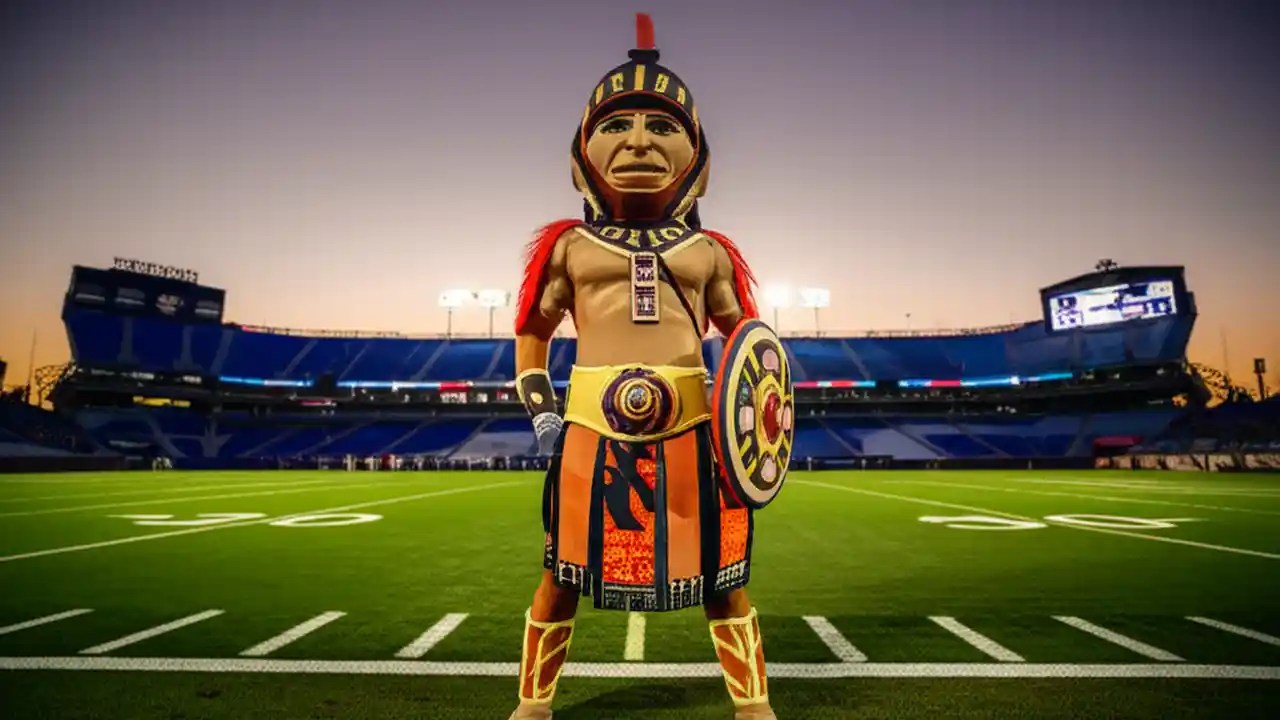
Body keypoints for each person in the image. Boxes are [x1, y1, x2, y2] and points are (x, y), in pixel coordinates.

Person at [508, 13, 774, 720]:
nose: (637, 141)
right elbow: (531, 336)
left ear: (698, 157)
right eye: (615, 124)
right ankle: (533, 704)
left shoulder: (709, 253)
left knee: (723, 575)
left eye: (662, 126)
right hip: (589, 435)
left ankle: (753, 705)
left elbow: (748, 342)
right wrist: (543, 418)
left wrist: (759, 419)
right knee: (561, 573)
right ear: (581, 152)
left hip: (693, 435)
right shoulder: (568, 249)